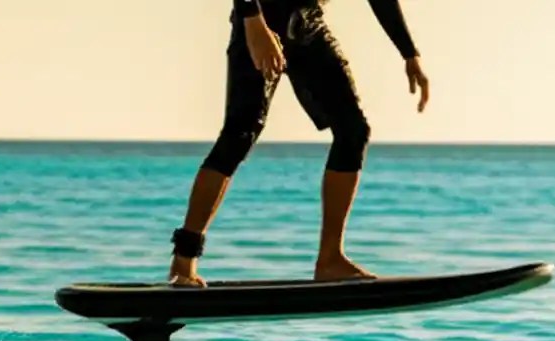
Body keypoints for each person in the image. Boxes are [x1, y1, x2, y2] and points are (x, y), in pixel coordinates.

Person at [168, 0, 430, 287]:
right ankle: (184, 262)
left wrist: (409, 52)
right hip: (262, 16)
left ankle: (331, 259)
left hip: (307, 23)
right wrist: (253, 21)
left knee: (353, 130)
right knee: (239, 135)